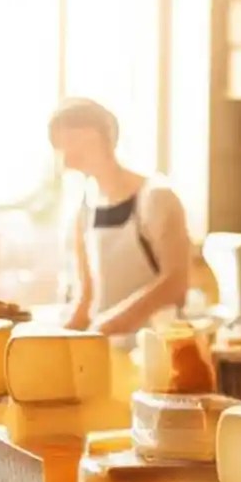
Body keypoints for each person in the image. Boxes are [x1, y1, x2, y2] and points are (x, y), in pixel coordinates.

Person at [50, 98, 191, 342]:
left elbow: (176, 282)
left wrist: (113, 323)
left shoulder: (156, 198)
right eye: (59, 143)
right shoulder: (84, 209)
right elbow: (86, 298)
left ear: (100, 137)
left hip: (153, 350)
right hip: (104, 348)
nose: (64, 152)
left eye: (70, 140)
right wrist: (56, 339)